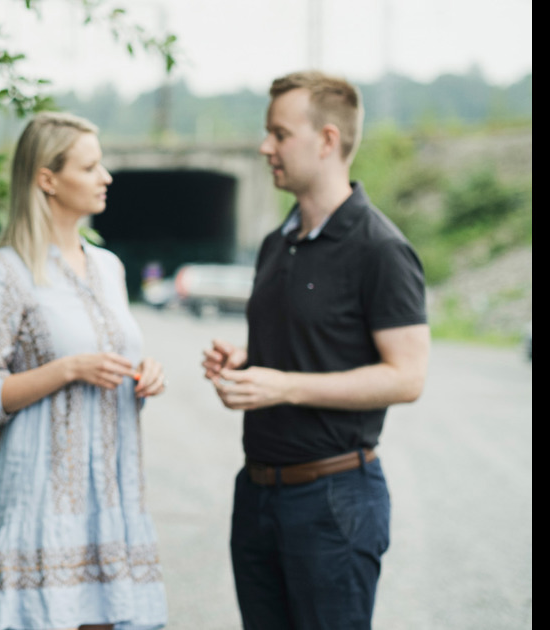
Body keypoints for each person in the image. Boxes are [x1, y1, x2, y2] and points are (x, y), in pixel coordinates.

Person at [202, 71, 431, 630]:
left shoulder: (381, 249)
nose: (265, 147)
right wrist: (245, 366)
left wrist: (284, 385)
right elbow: (300, 350)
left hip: (334, 504)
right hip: (256, 496)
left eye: (279, 134)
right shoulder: (275, 244)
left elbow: (407, 377)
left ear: (327, 141)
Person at [0, 111, 168, 630]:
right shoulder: (3, 272)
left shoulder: (111, 268)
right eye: (92, 166)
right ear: (47, 179)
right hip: (41, 503)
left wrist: (144, 376)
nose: (107, 178)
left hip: (114, 501)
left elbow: (113, 357)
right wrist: (67, 368)